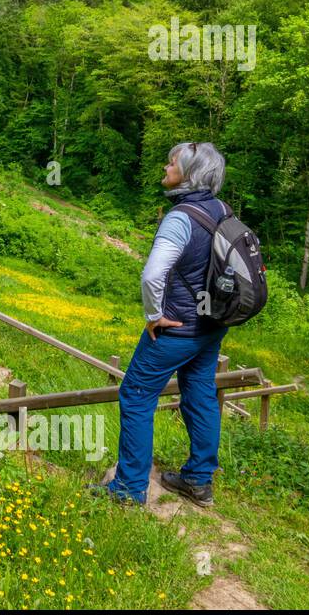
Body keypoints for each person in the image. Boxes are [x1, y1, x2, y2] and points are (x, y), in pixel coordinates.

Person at [92, 142, 231, 508]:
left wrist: (154, 315)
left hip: (177, 328)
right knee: (200, 394)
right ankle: (199, 481)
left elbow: (153, 274)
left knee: (136, 396)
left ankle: (129, 488)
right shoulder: (222, 210)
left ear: (189, 173)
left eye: (171, 163)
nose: (165, 169)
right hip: (211, 326)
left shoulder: (181, 217)